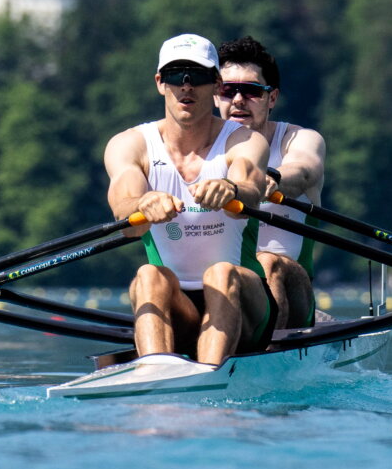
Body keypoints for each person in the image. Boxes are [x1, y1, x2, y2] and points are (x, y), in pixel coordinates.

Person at [103, 33, 272, 363]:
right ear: (159, 82)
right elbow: (127, 225)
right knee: (149, 276)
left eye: (196, 76)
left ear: (216, 85)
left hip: (246, 304)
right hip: (177, 305)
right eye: (175, 76)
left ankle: (208, 376)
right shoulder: (130, 145)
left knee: (220, 273)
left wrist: (232, 191)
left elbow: (250, 195)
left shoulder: (244, 141)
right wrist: (141, 205)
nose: (185, 87)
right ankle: (156, 375)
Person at [217, 36, 324, 330]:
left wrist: (271, 178)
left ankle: (268, 346)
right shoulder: (197, 152)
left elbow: (303, 171)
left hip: (292, 290)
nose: (238, 100)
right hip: (222, 288)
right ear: (216, 96)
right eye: (228, 90)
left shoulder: (299, 140)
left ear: (271, 98)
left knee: (266, 261)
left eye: (251, 91)